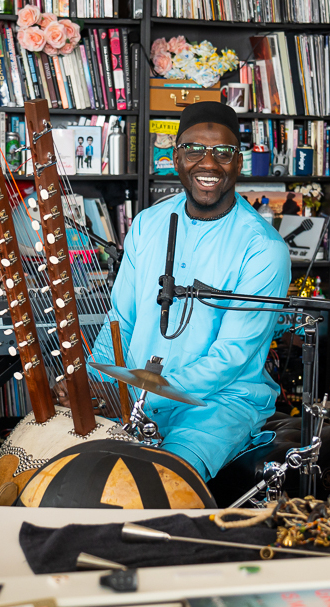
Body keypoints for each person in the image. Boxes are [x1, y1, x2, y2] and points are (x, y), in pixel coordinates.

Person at [89, 101, 290, 481]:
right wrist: (96, 381)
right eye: (195, 149)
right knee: (77, 473)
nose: (208, 163)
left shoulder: (264, 249)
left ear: (239, 162)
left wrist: (145, 394)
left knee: (161, 483)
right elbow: (121, 319)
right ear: (177, 157)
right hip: (133, 394)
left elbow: (231, 355)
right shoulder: (147, 225)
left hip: (218, 405)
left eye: (223, 152)